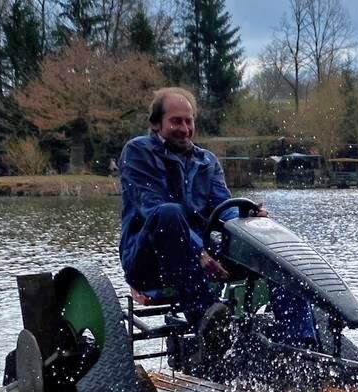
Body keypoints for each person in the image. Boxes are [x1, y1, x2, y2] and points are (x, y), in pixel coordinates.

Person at [118, 87, 315, 346]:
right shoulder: (137, 152)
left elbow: (224, 208)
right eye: (176, 121)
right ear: (156, 124)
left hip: (204, 255)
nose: (184, 128)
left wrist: (250, 218)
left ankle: (298, 347)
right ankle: (208, 321)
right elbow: (152, 209)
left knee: (272, 250)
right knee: (169, 213)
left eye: (189, 121)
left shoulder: (206, 161)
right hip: (150, 260)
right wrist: (197, 251)